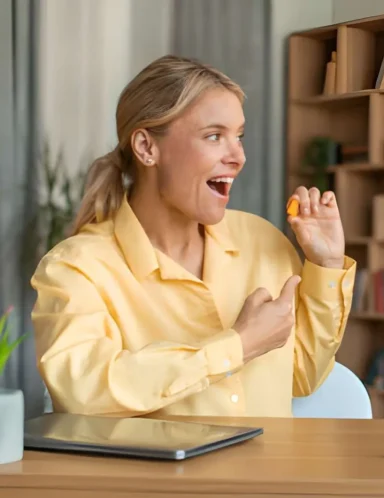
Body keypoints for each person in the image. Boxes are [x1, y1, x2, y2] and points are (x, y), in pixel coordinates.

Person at [30, 55, 356, 418]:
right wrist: (237, 346)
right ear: (146, 148)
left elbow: (301, 376)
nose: (238, 157)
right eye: (214, 136)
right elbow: (83, 393)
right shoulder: (76, 267)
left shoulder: (264, 241)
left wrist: (326, 264)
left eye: (239, 137)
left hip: (269, 457)